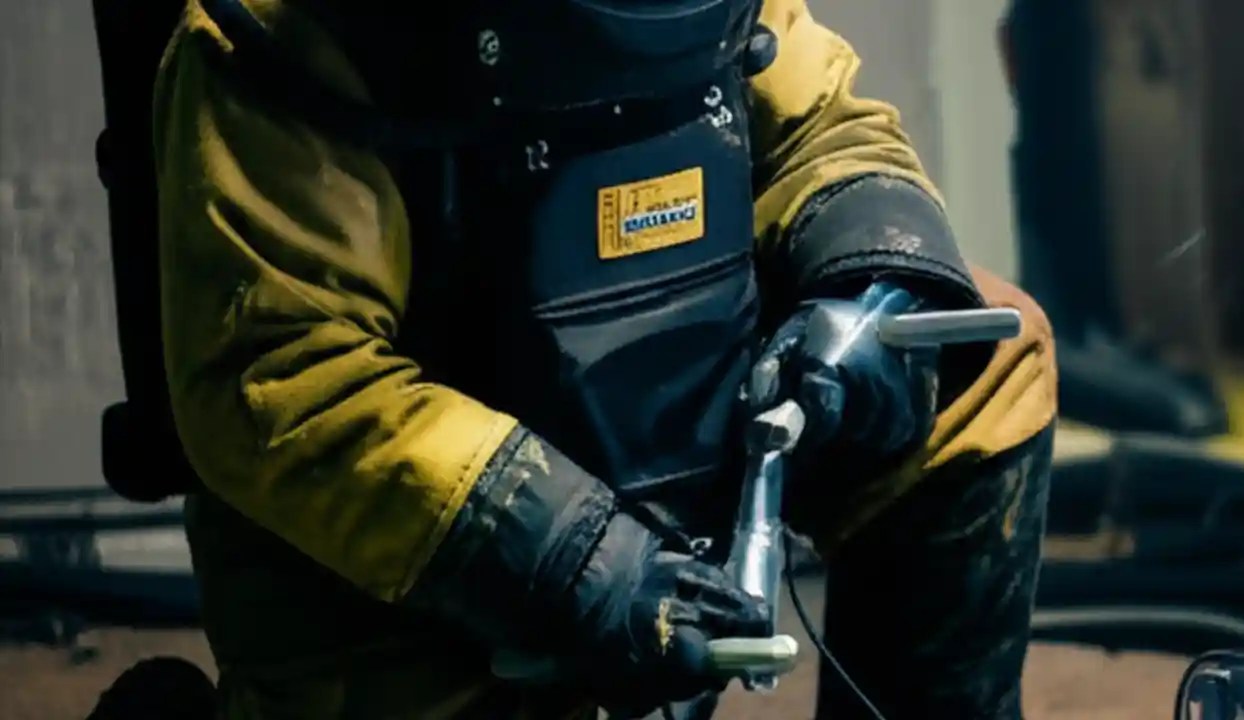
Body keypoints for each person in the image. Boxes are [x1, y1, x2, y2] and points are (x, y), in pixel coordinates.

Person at [150, 0, 1058, 717]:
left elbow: (824, 127)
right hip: (423, 587)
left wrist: (871, 294)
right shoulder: (287, 38)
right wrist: (575, 562)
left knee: (982, 367)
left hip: (696, 418)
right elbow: (290, 379)